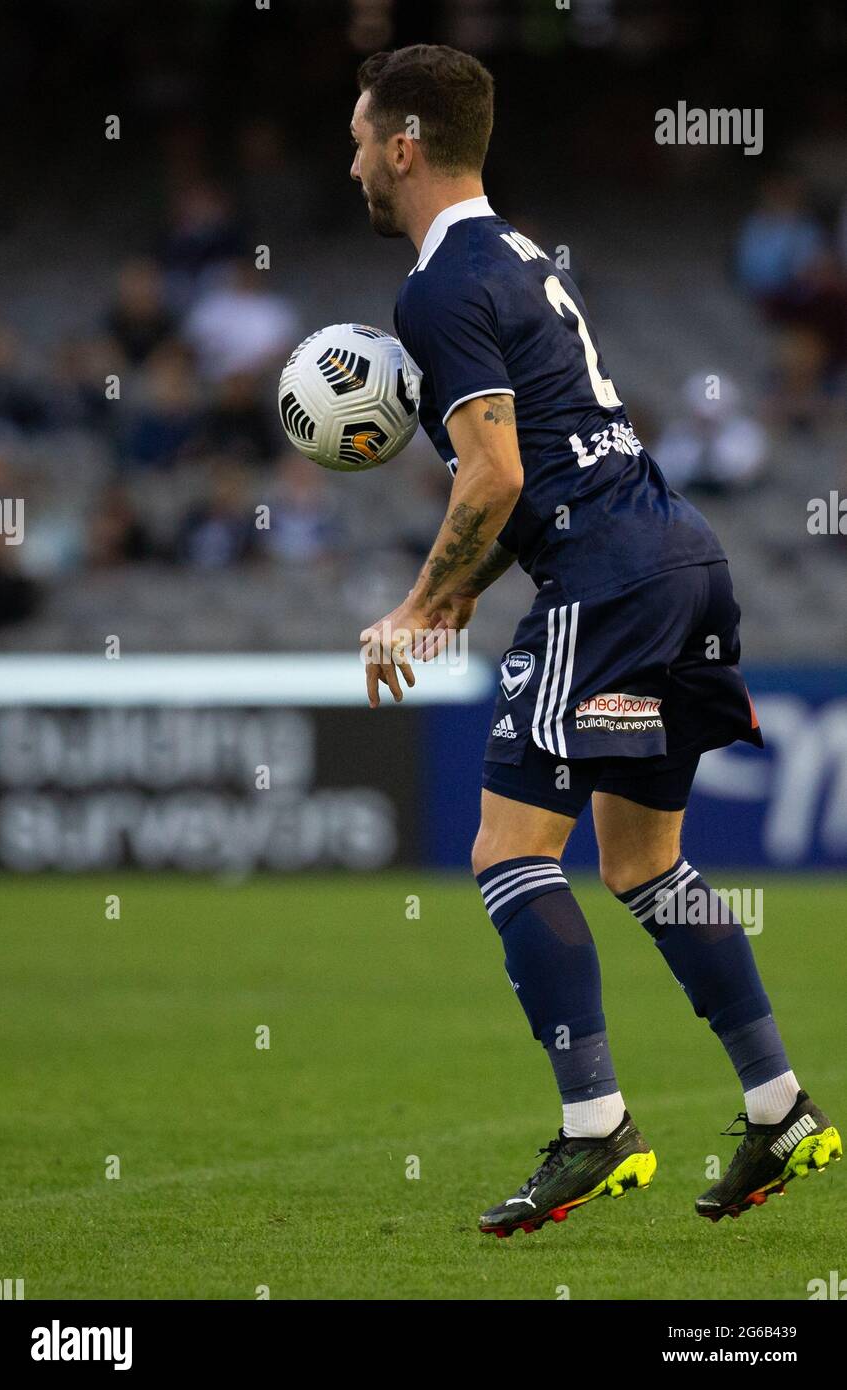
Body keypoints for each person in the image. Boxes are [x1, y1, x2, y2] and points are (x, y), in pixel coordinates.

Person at [349, 44, 840, 1236]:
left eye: (360, 137)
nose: (353, 159)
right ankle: (777, 1107)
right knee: (639, 865)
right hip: (679, 557)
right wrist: (474, 582)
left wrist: (418, 605)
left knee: (505, 854)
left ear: (404, 143)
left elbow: (498, 469)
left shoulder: (432, 287)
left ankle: (593, 1127)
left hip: (606, 581)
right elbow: (554, 447)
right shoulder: (513, 252)